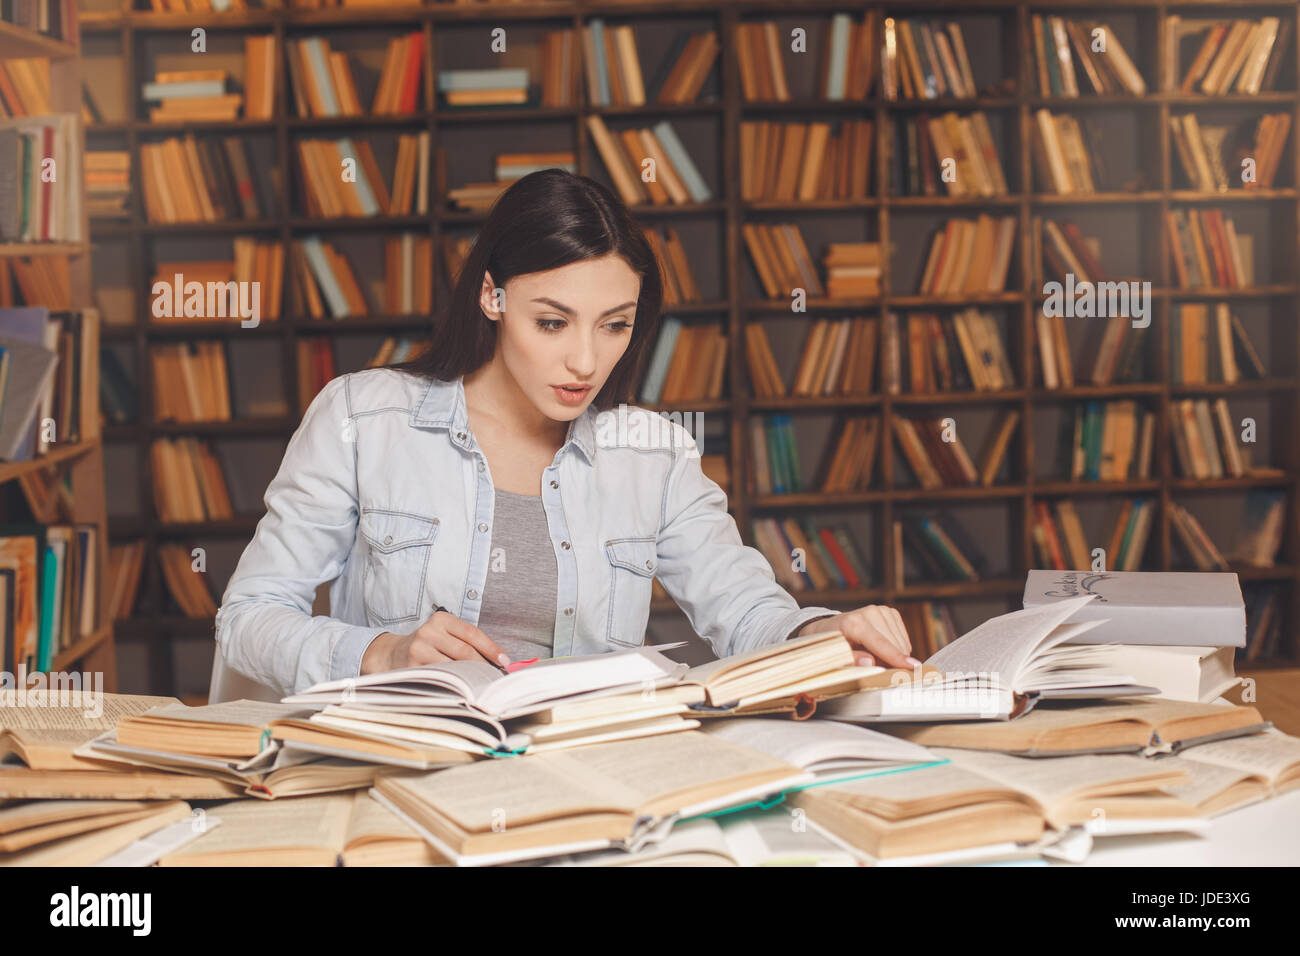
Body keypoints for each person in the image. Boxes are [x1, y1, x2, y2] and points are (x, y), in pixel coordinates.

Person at [215, 169, 916, 697]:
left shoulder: (655, 455)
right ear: (492, 296)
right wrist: (383, 653)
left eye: (615, 324)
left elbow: (745, 608)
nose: (586, 360)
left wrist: (819, 632)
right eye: (552, 322)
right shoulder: (362, 420)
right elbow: (247, 619)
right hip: (416, 766)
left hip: (589, 774)